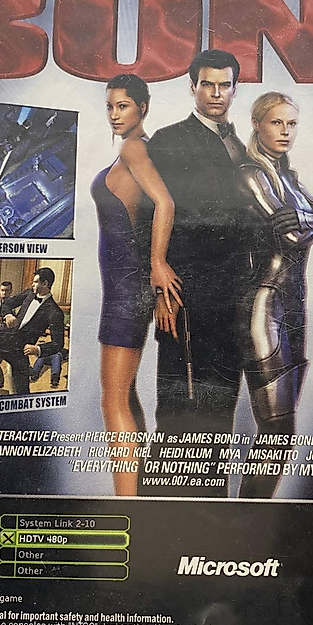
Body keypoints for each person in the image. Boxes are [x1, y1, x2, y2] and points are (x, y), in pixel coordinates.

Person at [141, 49, 254, 496]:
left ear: (235, 89)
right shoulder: (169, 140)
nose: (216, 93)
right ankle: (159, 514)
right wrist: (160, 290)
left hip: (234, 298)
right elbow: (147, 216)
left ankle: (209, 508)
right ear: (193, 87)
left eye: (224, 85)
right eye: (208, 84)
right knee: (179, 406)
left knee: (221, 405)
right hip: (184, 293)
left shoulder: (241, 146)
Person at [235, 92, 313, 497]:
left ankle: (252, 517)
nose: (286, 131)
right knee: (277, 430)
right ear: (257, 124)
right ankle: (244, 519)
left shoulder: (289, 177)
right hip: (263, 305)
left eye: (291, 123)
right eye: (276, 123)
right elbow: (292, 237)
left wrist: (309, 215)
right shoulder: (250, 174)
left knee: (282, 434)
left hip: (294, 307)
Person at [91, 73, 182, 496]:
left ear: (142, 107)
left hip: (126, 291)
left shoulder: (133, 148)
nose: (114, 114)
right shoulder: (137, 150)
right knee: (124, 396)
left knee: (113, 399)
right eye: (110, 106)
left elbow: (165, 202)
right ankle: (137, 495)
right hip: (127, 289)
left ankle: (127, 506)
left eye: (123, 106)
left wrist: (158, 265)